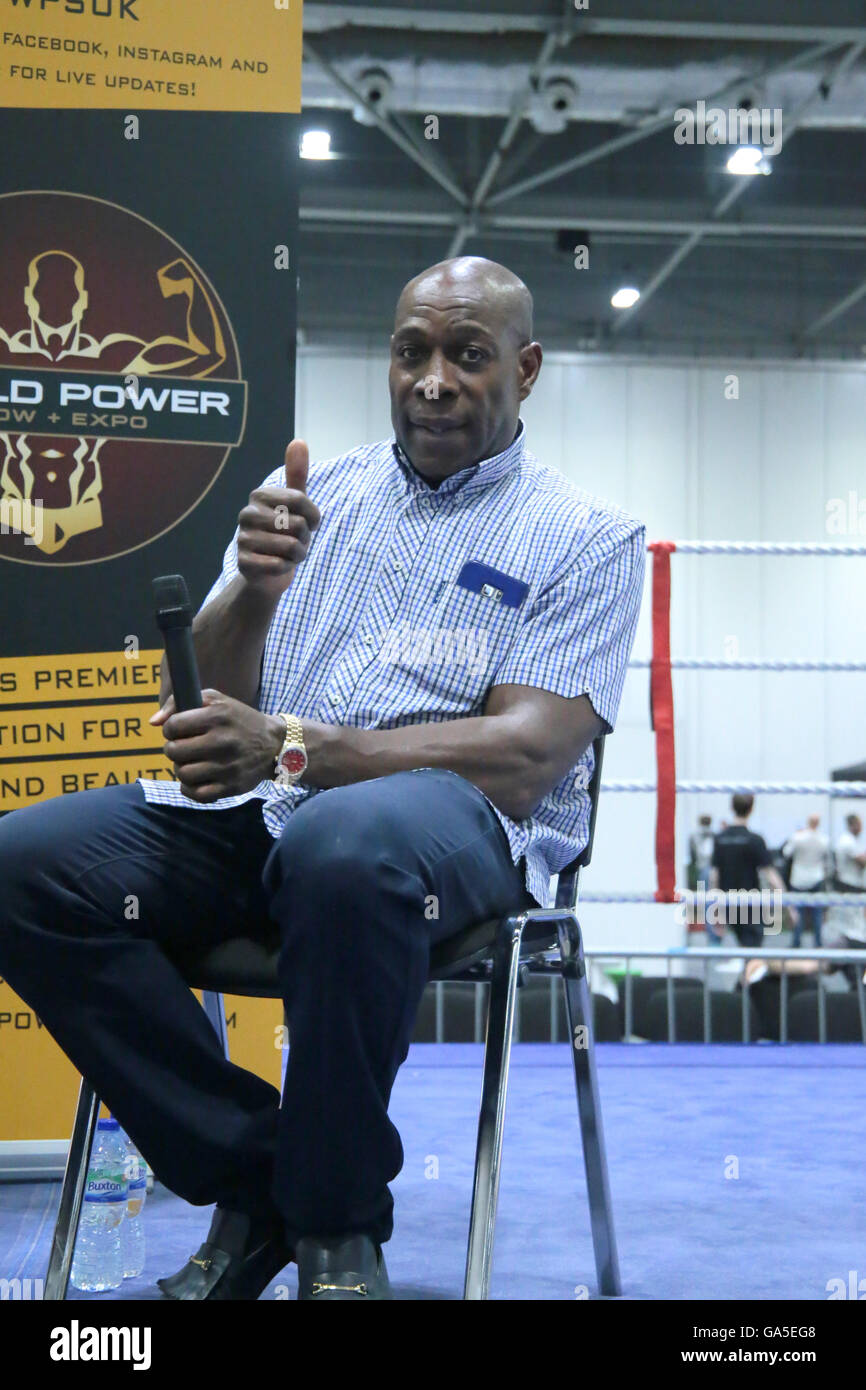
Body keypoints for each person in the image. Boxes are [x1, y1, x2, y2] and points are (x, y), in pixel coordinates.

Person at [0, 256, 645, 1302]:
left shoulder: (586, 536)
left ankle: (338, 1225)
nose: (432, 379)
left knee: (338, 848)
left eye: (466, 355)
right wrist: (252, 592)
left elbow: (524, 757)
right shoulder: (310, 495)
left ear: (523, 370)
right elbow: (212, 688)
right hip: (272, 811)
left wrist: (296, 747)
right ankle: (260, 1176)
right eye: (411, 352)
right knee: (23, 866)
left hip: (451, 830)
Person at [709, 794, 796, 948]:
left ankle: (747, 971)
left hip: (729, 903)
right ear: (751, 809)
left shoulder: (720, 839)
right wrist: (788, 906)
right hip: (750, 904)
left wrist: (714, 910)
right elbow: (771, 876)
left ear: (732, 808)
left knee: (746, 949)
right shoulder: (754, 840)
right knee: (753, 951)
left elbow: (714, 876)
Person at [782, 813, 829, 947]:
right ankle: (818, 944)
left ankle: (796, 944)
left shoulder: (798, 837)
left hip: (799, 879)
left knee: (798, 913)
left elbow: (786, 853)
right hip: (816, 877)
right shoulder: (823, 839)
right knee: (817, 914)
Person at [687, 814, 720, 944]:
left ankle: (711, 933)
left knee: (706, 902)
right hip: (713, 870)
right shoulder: (715, 835)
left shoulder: (694, 836)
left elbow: (693, 854)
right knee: (714, 902)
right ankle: (715, 934)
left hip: (702, 869)